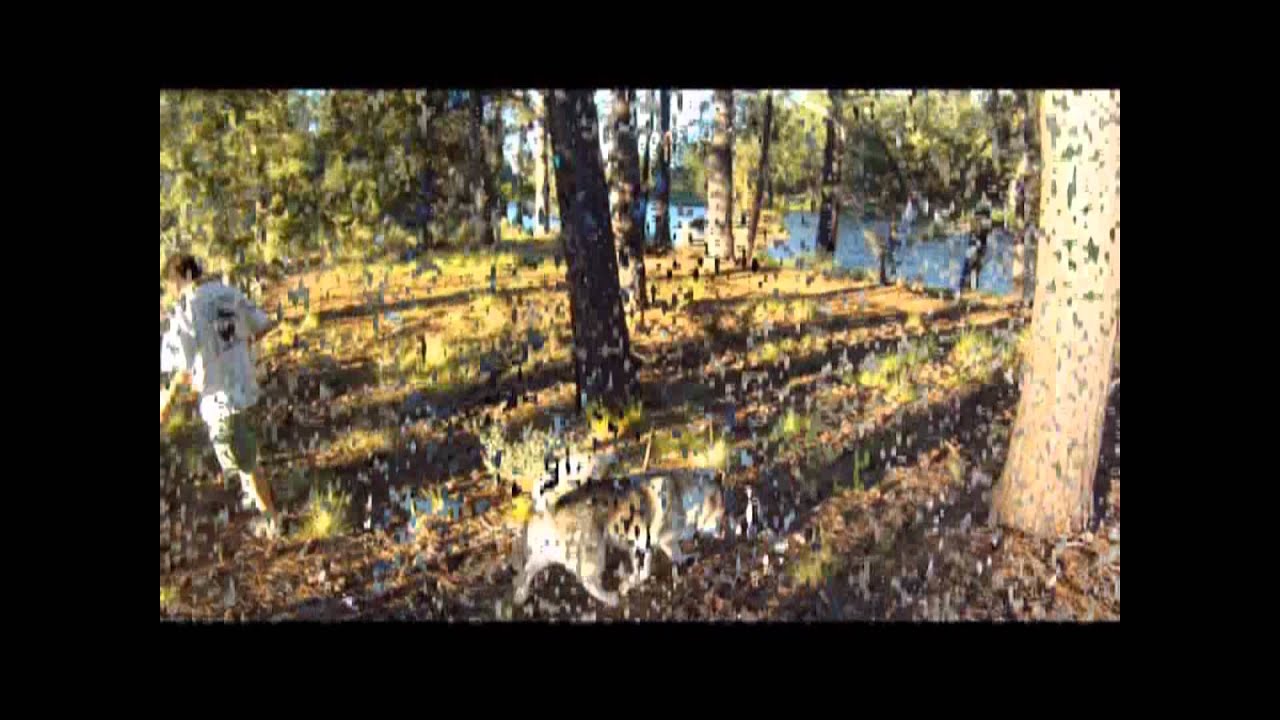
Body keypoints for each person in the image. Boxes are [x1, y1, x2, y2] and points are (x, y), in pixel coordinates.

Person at [160, 253, 279, 537]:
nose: (171, 292)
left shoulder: (187, 309)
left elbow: (181, 365)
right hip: (245, 386)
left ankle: (272, 521)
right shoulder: (228, 292)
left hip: (220, 400)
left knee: (243, 463)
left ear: (182, 279)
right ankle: (266, 512)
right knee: (245, 458)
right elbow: (263, 325)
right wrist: (238, 350)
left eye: (170, 285)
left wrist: (166, 404)